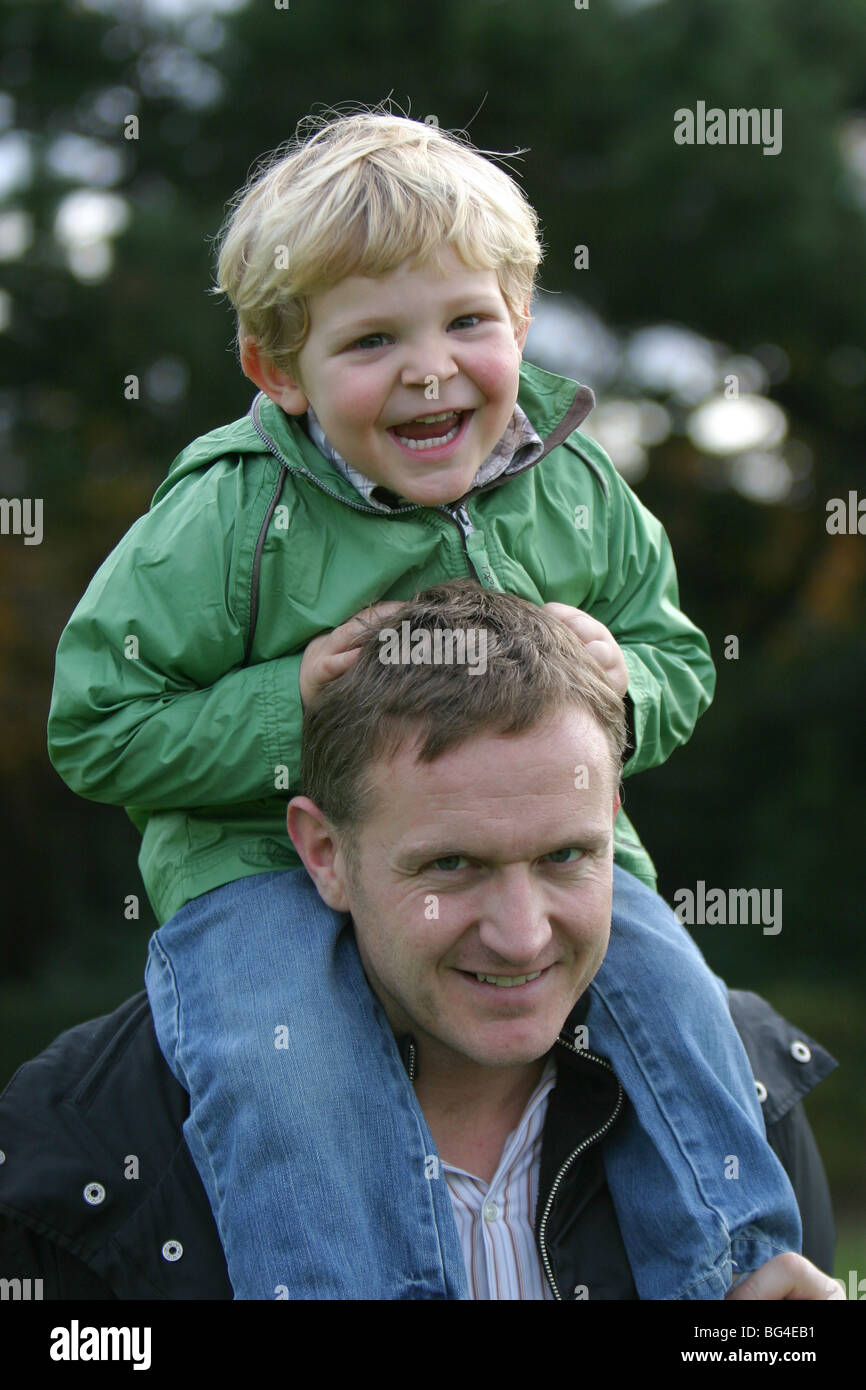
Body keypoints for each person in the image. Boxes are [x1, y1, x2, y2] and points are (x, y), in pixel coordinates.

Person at [47, 108, 790, 1299]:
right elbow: (93, 724)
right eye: (371, 339)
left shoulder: (575, 484)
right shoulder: (226, 516)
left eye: (465, 321)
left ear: (521, 320)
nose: (430, 367)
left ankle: (731, 1275)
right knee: (285, 1064)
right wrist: (290, 703)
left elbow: (675, 656)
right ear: (275, 368)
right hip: (254, 861)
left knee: (675, 998)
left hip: (527, 849)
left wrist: (619, 682)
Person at [4, 585, 839, 1299]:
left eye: (565, 856)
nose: (521, 937)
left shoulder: (748, 1094)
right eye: (450, 865)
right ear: (324, 854)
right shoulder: (83, 1152)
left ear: (612, 824)